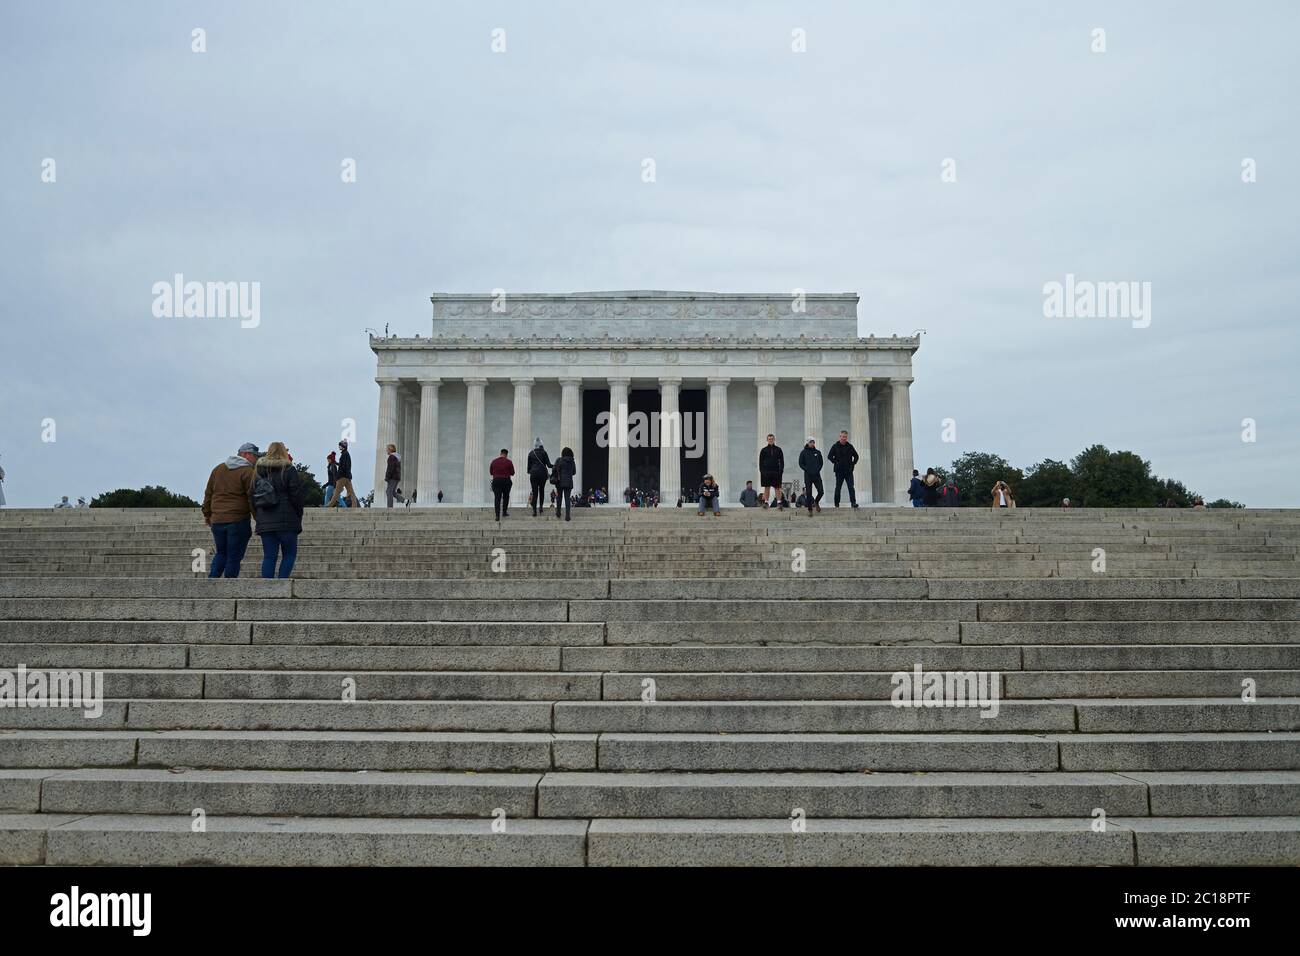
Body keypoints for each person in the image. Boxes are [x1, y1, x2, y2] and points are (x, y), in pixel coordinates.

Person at [202, 442, 259, 578]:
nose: (256, 459)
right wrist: (257, 518)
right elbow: (251, 497)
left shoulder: (218, 469)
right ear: (245, 454)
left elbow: (208, 493)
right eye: (254, 456)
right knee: (234, 556)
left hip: (217, 520)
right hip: (238, 520)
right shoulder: (248, 472)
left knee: (221, 553)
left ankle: (212, 581)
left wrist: (207, 514)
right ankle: (229, 585)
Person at [251, 442, 305, 578]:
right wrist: (299, 514)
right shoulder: (289, 469)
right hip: (287, 520)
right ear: (283, 453)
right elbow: (296, 495)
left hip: (265, 519)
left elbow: (252, 495)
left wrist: (258, 516)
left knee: (269, 556)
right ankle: (282, 583)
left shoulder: (259, 471)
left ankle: (267, 586)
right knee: (289, 554)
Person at [826, 430, 860, 508]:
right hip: (839, 471)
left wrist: (853, 464)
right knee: (838, 487)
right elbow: (829, 456)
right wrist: (836, 462)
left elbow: (856, 456)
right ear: (840, 437)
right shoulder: (835, 446)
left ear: (847, 437)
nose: (844, 438)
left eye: (845, 437)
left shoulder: (850, 446)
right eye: (842, 436)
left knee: (851, 487)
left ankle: (853, 503)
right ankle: (836, 503)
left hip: (848, 471)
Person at [325, 440, 356, 508]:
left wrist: (338, 476)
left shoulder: (344, 454)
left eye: (340, 445)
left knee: (336, 492)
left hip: (342, 477)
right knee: (351, 492)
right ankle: (354, 505)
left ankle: (329, 505)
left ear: (343, 446)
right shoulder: (346, 454)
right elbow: (344, 465)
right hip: (347, 476)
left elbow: (343, 467)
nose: (339, 447)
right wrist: (337, 463)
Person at [526, 438, 552, 516]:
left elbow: (528, 468)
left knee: (534, 492)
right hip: (542, 474)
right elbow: (549, 465)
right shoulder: (544, 452)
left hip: (533, 474)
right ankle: (540, 507)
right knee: (541, 491)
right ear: (541, 445)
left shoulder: (531, 453)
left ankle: (534, 510)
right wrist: (556, 465)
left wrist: (531, 471)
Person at [798, 438, 823, 515]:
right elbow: (800, 463)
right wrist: (807, 469)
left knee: (821, 491)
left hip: (816, 475)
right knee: (809, 493)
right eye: (811, 442)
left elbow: (821, 463)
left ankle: (816, 502)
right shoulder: (803, 452)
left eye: (813, 442)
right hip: (808, 475)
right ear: (807, 443)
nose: (812, 443)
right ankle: (810, 509)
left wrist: (817, 469)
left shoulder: (818, 452)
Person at [758, 434, 784, 509]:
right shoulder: (763, 450)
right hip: (766, 472)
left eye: (772, 439)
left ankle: (779, 502)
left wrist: (781, 471)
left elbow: (782, 461)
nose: (771, 440)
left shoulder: (779, 450)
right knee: (767, 488)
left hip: (776, 471)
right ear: (767, 440)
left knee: (777, 488)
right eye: (769, 439)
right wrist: (762, 471)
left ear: (774, 439)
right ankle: (766, 502)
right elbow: (761, 462)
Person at [551, 446, 576, 521]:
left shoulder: (559, 460)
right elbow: (574, 472)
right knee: (567, 498)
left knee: (559, 497)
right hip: (568, 482)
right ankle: (567, 516)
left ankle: (558, 512)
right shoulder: (572, 461)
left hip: (559, 481)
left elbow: (554, 469)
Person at [490, 448, 514, 519]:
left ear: (500, 454)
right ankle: (504, 512)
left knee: (497, 498)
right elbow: (512, 473)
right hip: (506, 481)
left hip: (496, 481)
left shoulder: (494, 461)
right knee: (506, 497)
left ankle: (497, 515)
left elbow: (491, 472)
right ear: (506, 455)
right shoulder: (509, 462)